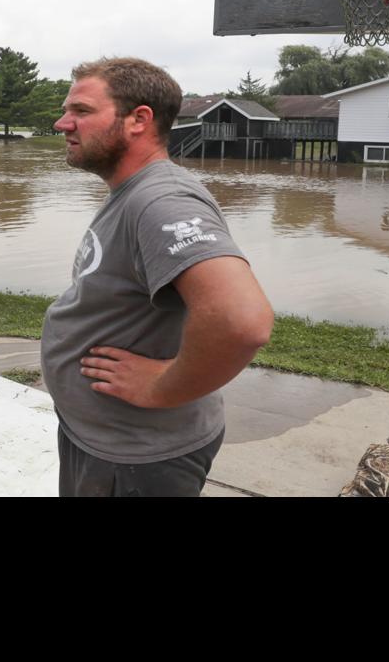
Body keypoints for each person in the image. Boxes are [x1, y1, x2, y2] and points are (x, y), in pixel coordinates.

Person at [41, 57, 274, 497]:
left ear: (138, 120)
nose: (62, 123)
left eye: (81, 111)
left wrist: (162, 388)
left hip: (136, 460)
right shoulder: (134, 192)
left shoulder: (161, 200)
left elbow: (242, 321)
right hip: (102, 440)